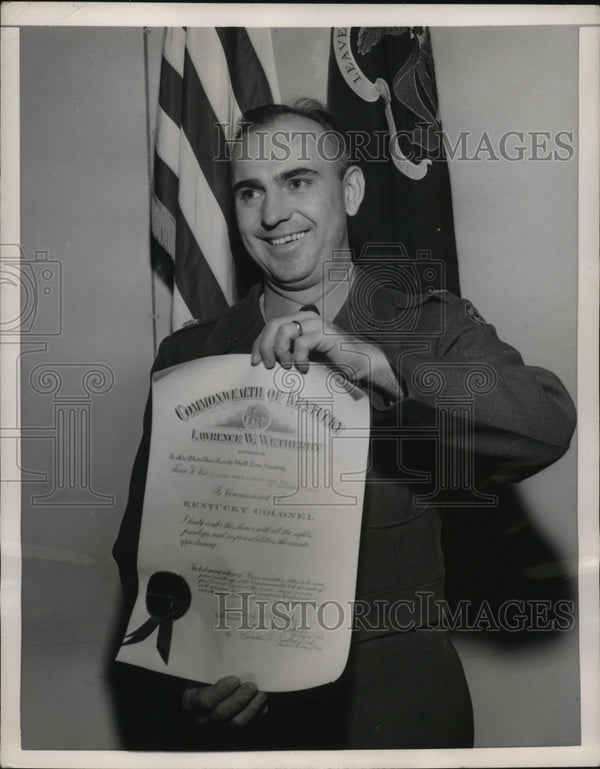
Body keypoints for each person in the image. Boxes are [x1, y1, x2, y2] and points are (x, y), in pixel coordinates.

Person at [112, 99, 576, 750]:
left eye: (298, 181)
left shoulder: (426, 326)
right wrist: (181, 675)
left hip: (395, 711)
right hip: (243, 723)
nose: (273, 215)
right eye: (251, 191)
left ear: (350, 191)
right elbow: (144, 550)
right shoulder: (190, 356)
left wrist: (387, 368)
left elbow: (546, 420)